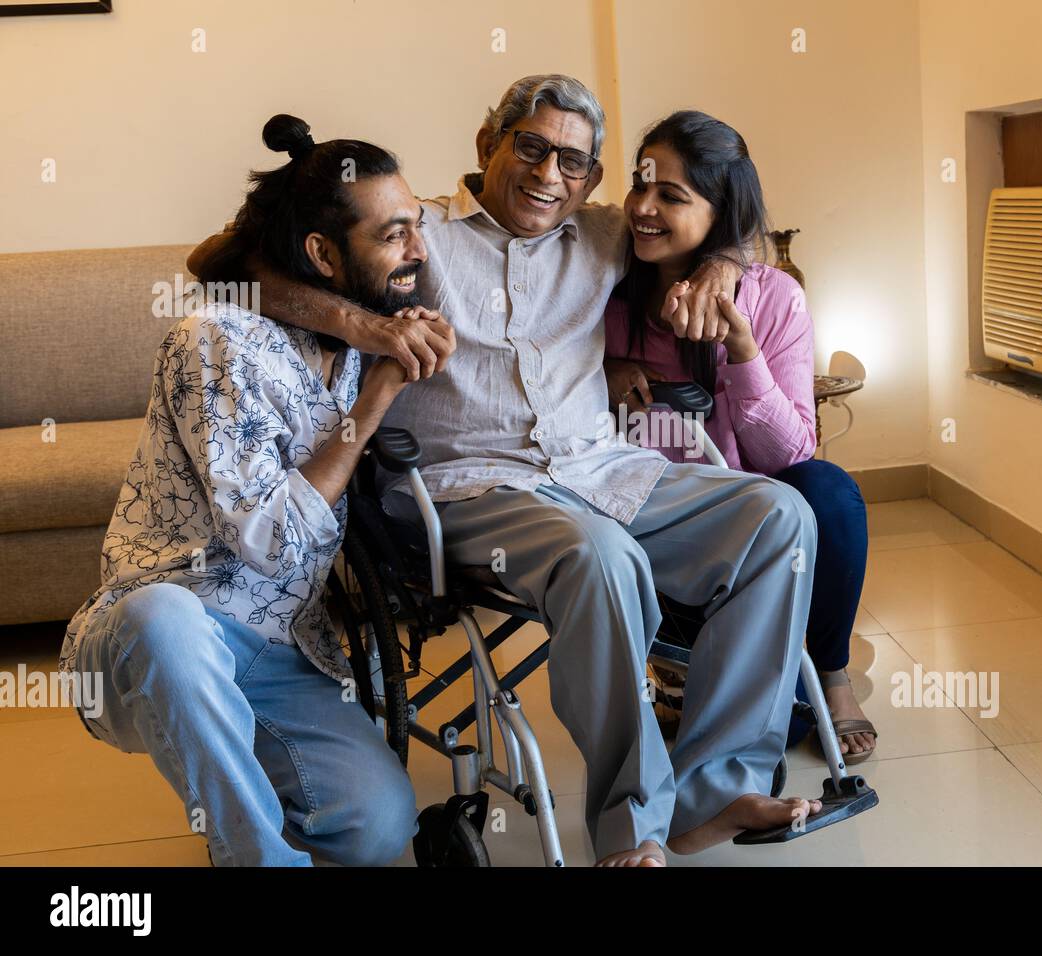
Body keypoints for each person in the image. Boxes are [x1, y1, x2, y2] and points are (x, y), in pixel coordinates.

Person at [188, 76, 827, 867]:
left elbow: (711, 213)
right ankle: (635, 831)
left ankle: (717, 789)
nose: (548, 175)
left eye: (574, 162)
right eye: (531, 147)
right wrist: (365, 327)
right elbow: (220, 266)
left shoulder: (604, 234)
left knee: (781, 518)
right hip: (469, 489)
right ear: (488, 145)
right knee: (601, 555)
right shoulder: (414, 235)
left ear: (593, 180)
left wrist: (724, 264)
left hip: (604, 470)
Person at [60, 115, 455, 866]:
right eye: (395, 233)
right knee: (166, 620)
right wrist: (373, 405)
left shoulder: (360, 337)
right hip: (154, 633)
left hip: (283, 648)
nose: (419, 251)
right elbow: (269, 541)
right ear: (322, 254)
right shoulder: (215, 337)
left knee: (374, 829)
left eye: (419, 227)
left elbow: (248, 264)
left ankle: (240, 786)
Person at [604, 110, 877, 763]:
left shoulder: (774, 297)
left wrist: (745, 355)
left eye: (671, 196)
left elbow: (789, 454)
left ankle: (830, 672)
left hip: (755, 519)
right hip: (659, 525)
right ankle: (688, 665)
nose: (643, 208)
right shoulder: (606, 290)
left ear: (720, 213)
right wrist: (606, 371)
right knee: (772, 734)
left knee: (829, 491)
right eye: (640, 185)